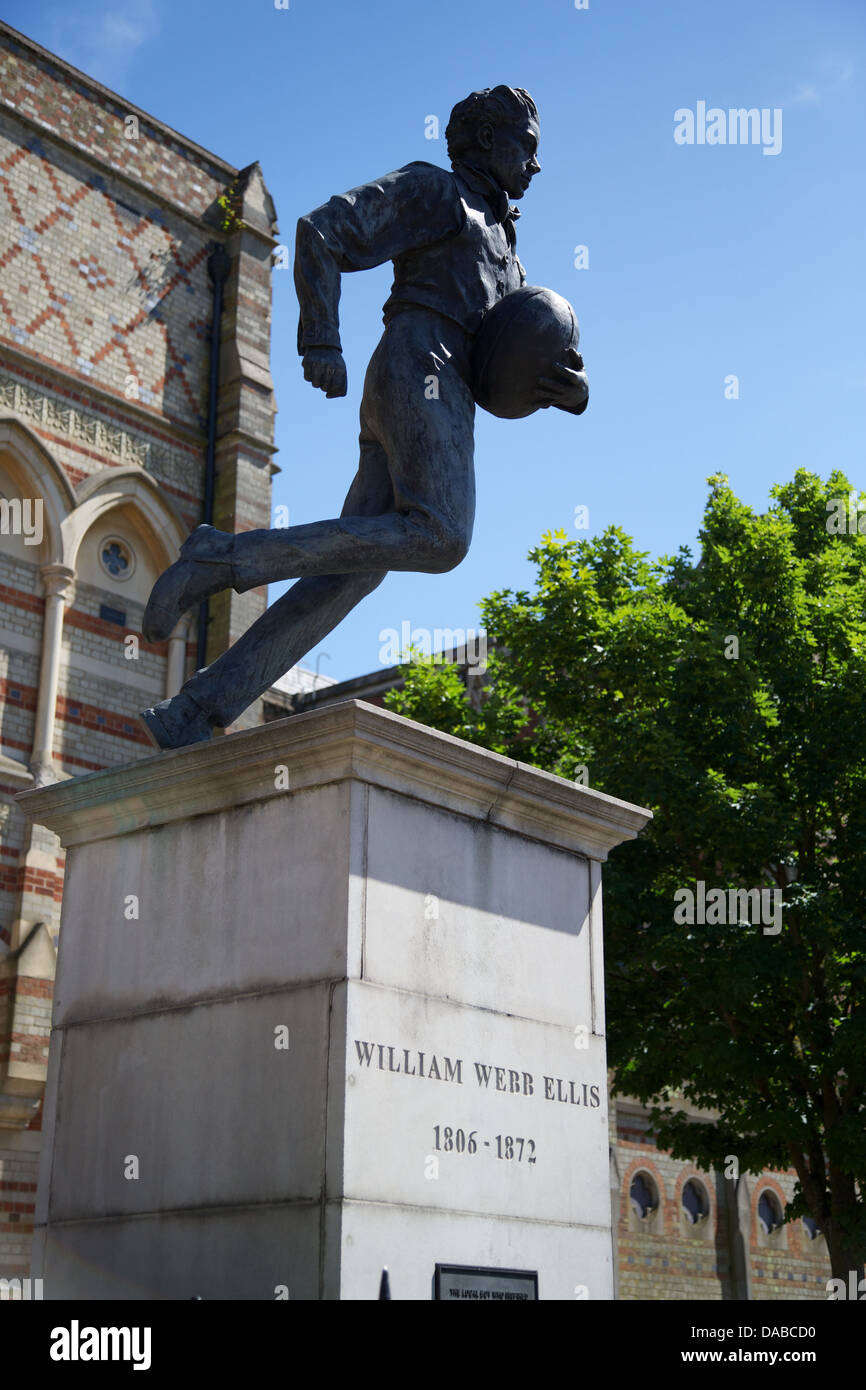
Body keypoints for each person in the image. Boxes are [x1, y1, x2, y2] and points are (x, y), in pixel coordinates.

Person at [139, 85, 588, 750]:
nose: (535, 163)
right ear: (488, 140)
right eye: (526, 146)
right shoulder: (437, 192)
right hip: (419, 368)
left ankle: (198, 708)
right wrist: (319, 337)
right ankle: (222, 556)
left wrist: (566, 389)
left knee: (354, 565)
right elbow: (323, 230)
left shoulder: (508, 252)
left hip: (441, 387)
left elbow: (511, 363)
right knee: (440, 536)